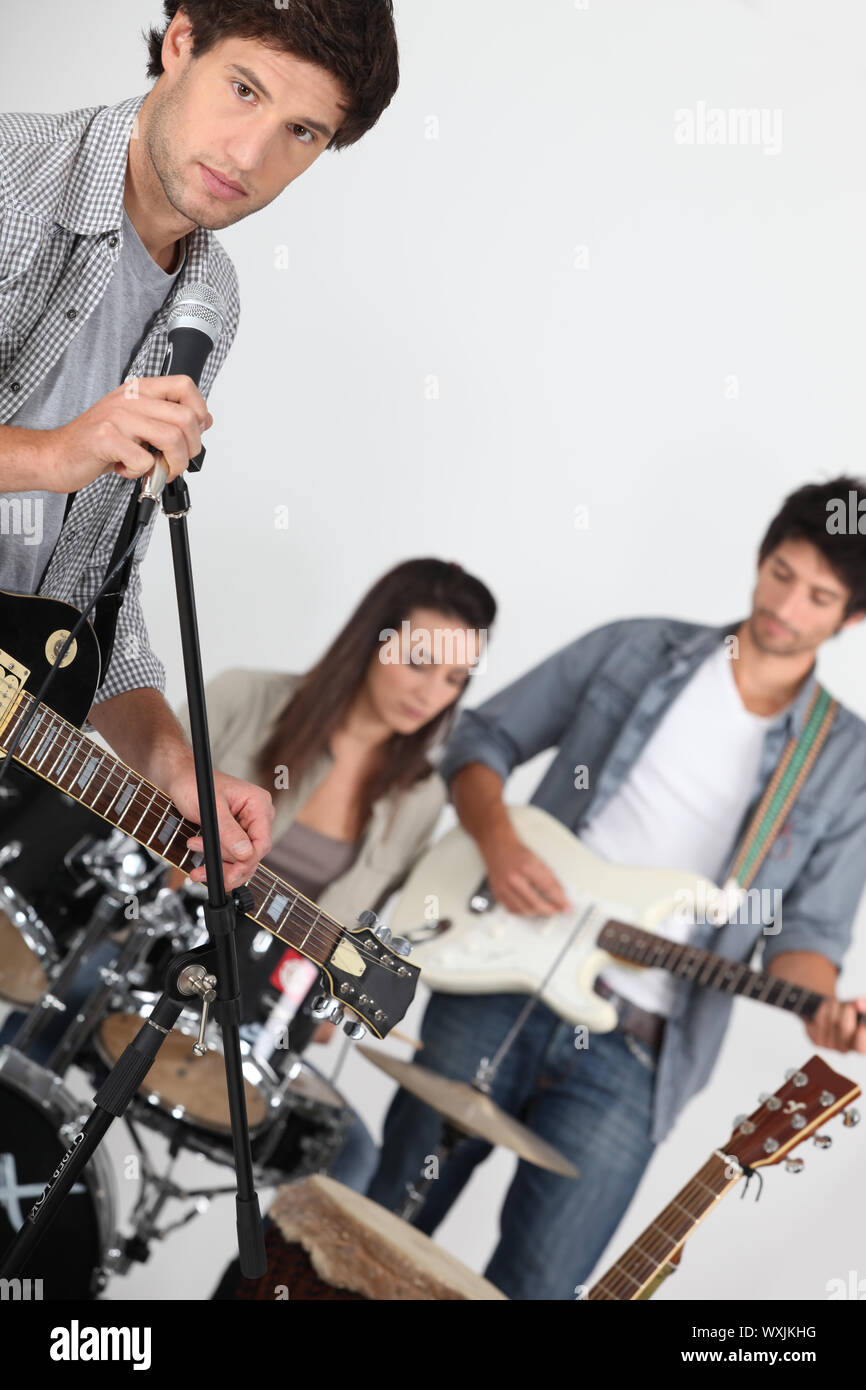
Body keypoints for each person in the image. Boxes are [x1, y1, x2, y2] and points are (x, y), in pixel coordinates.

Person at [367, 478, 866, 1301]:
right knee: (381, 1225)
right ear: (759, 557)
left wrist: (829, 1008)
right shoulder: (636, 648)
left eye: (818, 596)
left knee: (542, 1286)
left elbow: (808, 937)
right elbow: (483, 737)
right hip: (501, 973)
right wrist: (497, 842)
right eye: (780, 572)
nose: (786, 604)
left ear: (849, 620)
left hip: (638, 1054)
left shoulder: (846, 764)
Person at [0, 0, 400, 895]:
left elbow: (92, 596)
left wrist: (172, 766)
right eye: (244, 89)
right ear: (181, 43)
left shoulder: (209, 299)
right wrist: (49, 455)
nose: (251, 155)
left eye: (301, 130)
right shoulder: (10, 184)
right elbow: (60, 461)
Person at [206, 557, 496, 1296]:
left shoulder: (421, 799)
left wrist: (329, 1004)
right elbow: (119, 823)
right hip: (155, 972)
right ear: (373, 639)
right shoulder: (245, 696)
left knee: (351, 1163)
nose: (431, 694)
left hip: (262, 1026)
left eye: (454, 681)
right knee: (38, 1038)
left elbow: (360, 934)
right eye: (419, 662)